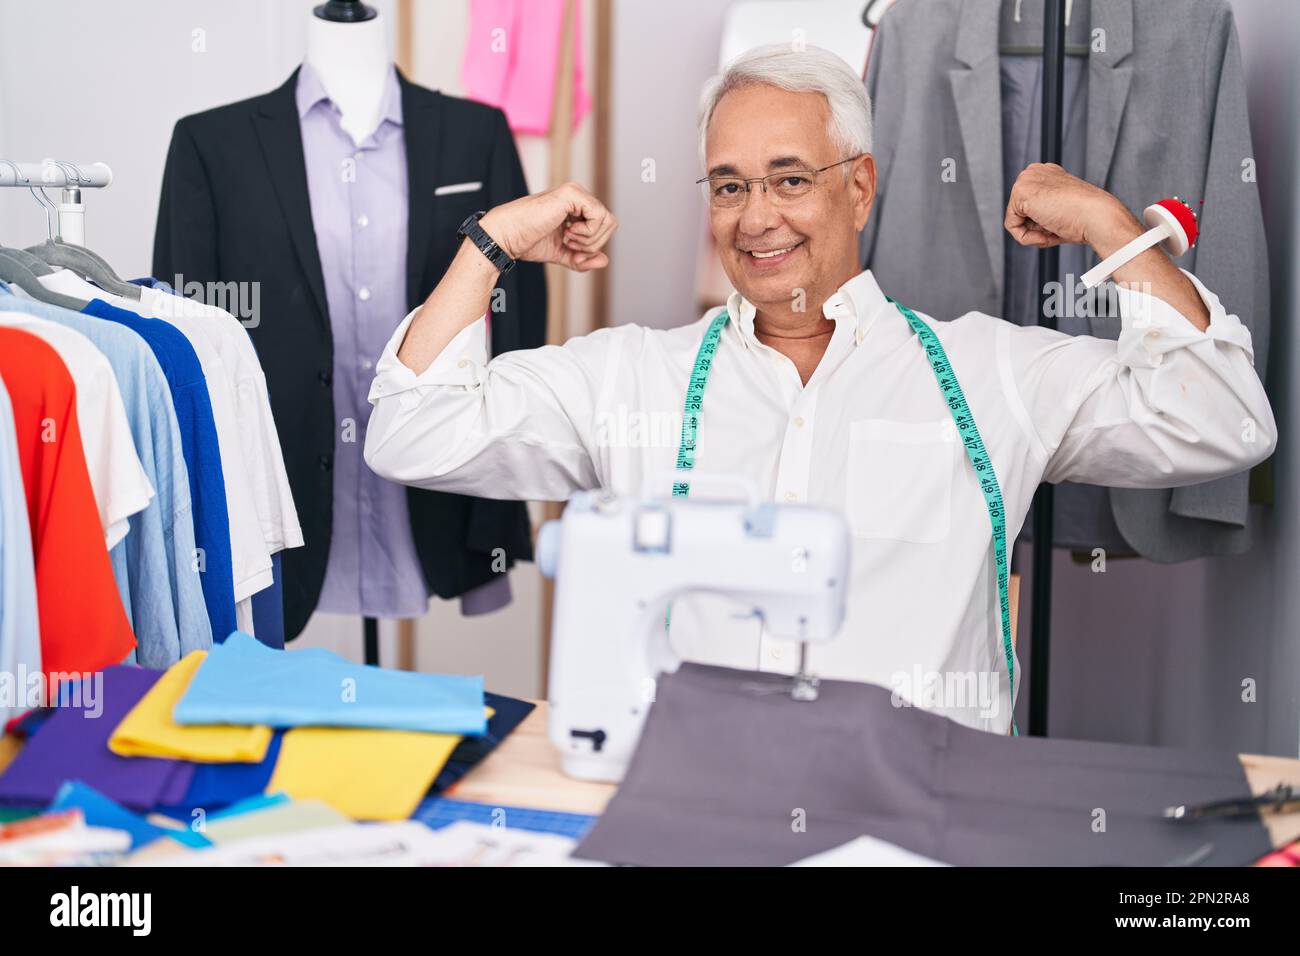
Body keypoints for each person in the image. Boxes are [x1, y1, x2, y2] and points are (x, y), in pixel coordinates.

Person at [364, 44, 1274, 732]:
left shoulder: (990, 372)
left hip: (916, 831)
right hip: (695, 825)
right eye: (728, 187)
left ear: (861, 188)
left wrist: (1112, 230)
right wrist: (493, 243)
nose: (756, 218)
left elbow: (1225, 423)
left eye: (789, 180)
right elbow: (411, 431)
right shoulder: (633, 377)